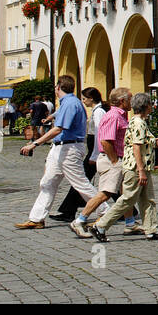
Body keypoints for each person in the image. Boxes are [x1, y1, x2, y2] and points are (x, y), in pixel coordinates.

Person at [14, 76, 100, 230]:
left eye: (55, 86)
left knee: (81, 183)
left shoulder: (71, 103)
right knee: (47, 182)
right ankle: (36, 219)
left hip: (69, 149)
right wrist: (50, 117)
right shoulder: (68, 103)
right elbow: (59, 115)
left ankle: (106, 213)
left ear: (59, 87)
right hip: (60, 148)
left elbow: (59, 128)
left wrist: (35, 143)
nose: (55, 89)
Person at [91, 93, 158, 242]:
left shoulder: (136, 121)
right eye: (150, 104)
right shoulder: (139, 123)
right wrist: (141, 171)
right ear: (146, 106)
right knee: (128, 199)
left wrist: (152, 142)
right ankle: (100, 226)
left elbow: (139, 142)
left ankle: (151, 229)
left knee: (148, 199)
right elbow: (136, 147)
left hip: (140, 167)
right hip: (135, 167)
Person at [70, 88, 140, 238]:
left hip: (117, 159)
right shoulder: (113, 116)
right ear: (122, 101)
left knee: (125, 193)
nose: (132, 102)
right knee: (105, 193)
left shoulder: (121, 115)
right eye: (130, 99)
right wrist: (115, 161)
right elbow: (106, 141)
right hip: (111, 159)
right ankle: (80, 220)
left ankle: (130, 223)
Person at [53, 87, 105, 221]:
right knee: (82, 181)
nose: (83, 101)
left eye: (84, 99)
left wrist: (95, 154)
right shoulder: (95, 111)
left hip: (95, 149)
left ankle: (69, 210)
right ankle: (68, 210)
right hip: (93, 148)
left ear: (91, 98)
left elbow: (100, 134)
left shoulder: (99, 112)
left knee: (81, 181)